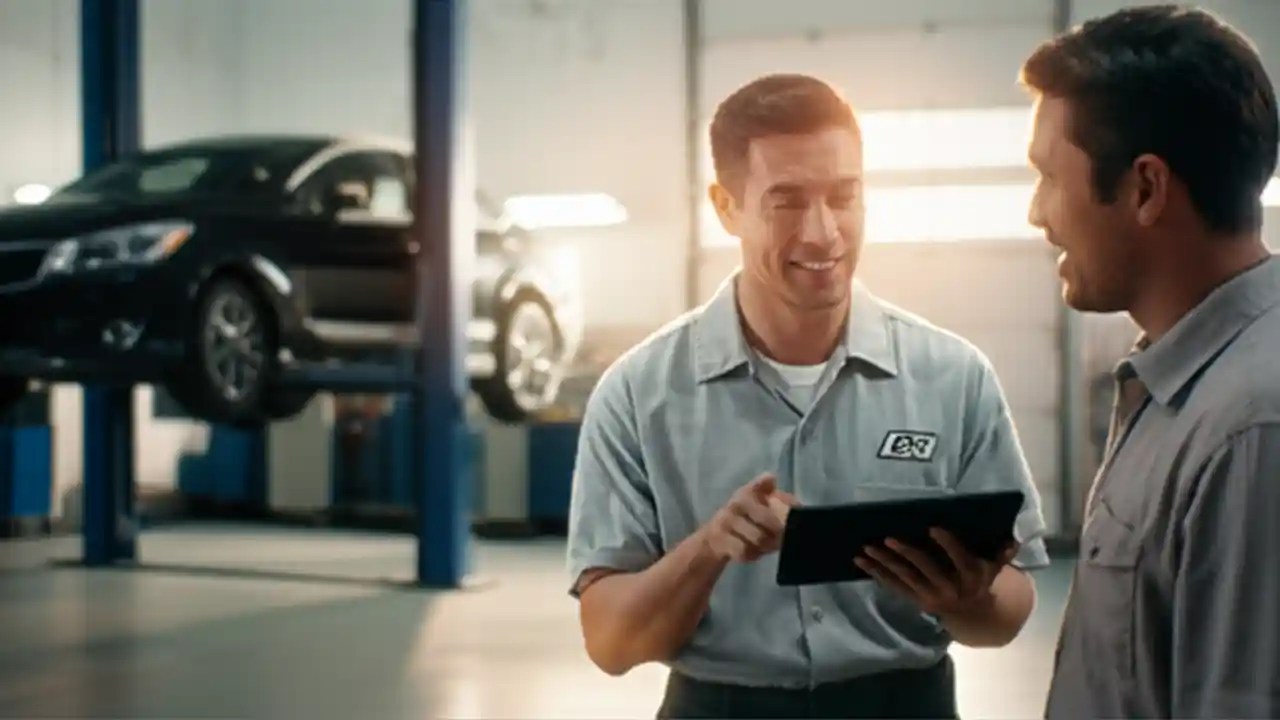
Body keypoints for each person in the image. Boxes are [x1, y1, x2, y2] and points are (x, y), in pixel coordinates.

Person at [565, 72, 1051, 719]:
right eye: (786, 202)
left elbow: (1009, 613)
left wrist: (967, 600)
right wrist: (708, 549)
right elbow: (612, 644)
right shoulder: (638, 394)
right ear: (727, 207)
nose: (823, 233)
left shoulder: (953, 378)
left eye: (843, 197)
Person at [1020, 6, 1280, 719]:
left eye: (1049, 177)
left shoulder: (1249, 429)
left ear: (1145, 189)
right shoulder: (1180, 386)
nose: (1037, 214)